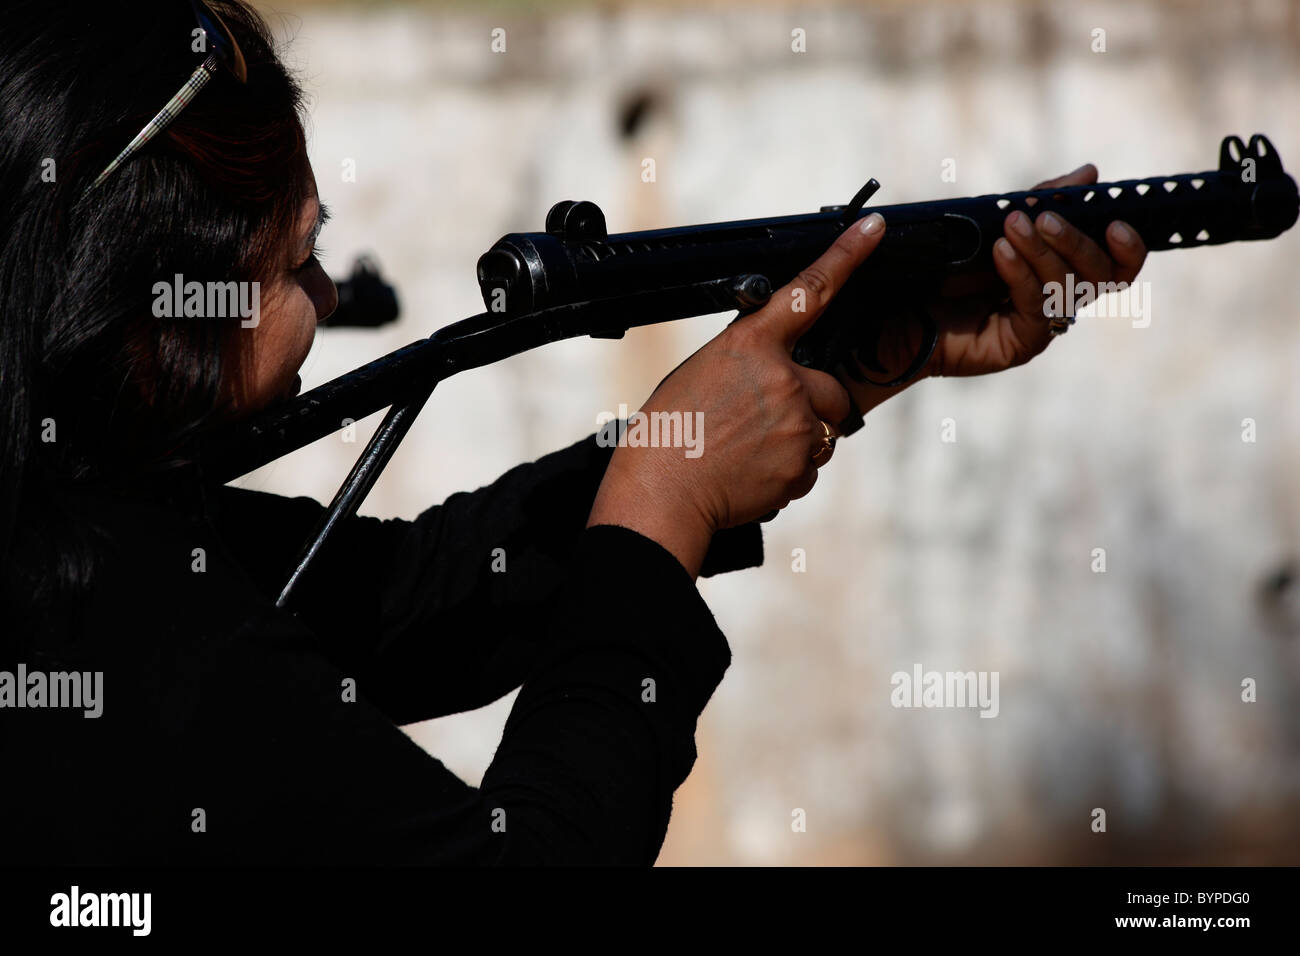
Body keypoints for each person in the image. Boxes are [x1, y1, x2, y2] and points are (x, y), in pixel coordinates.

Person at [0, 0, 1147, 864]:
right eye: (298, 256)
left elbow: (402, 595)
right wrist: (664, 507)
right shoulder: (121, 615)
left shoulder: (84, 522)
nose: (331, 295)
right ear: (154, 298)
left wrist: (853, 357)